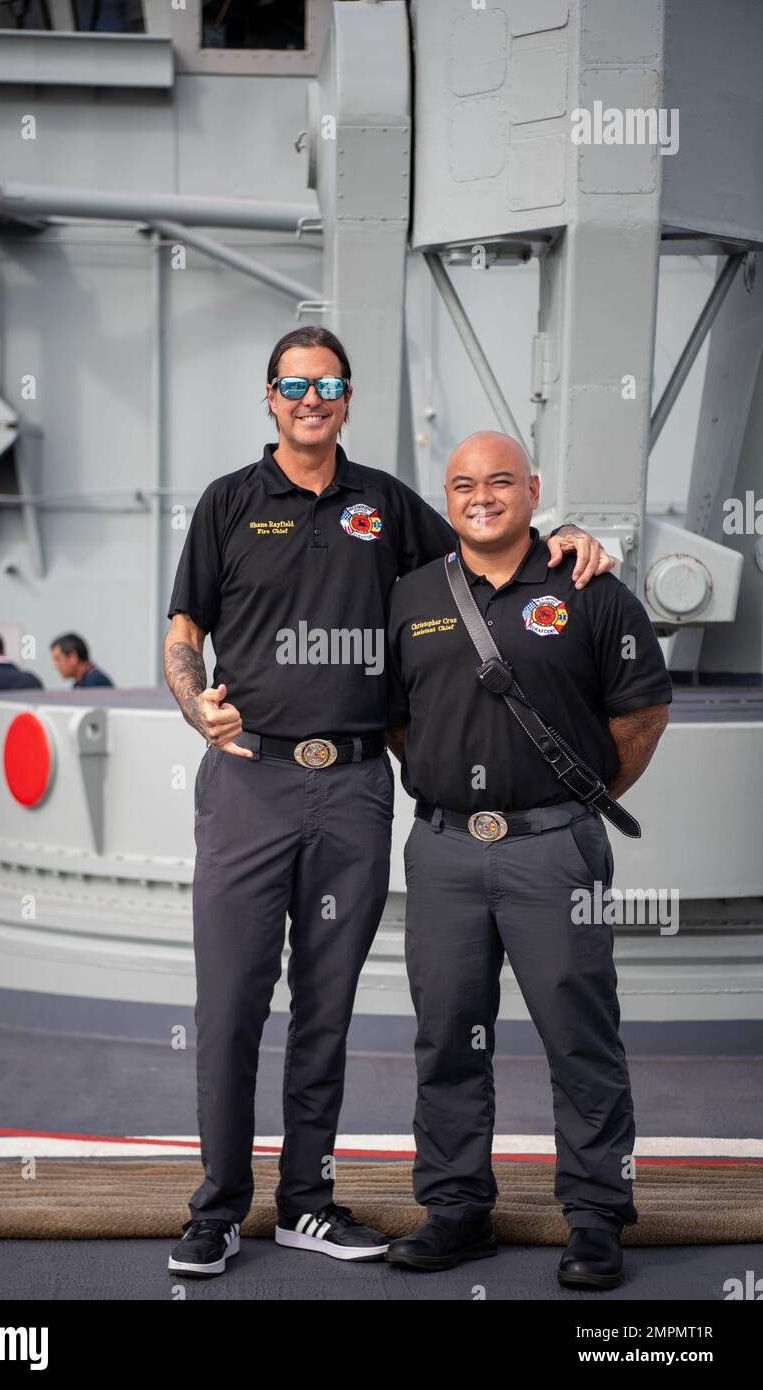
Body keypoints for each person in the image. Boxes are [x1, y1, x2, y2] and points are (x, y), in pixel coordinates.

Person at [162, 326, 612, 1277]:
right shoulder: (229, 503)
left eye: (326, 383)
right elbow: (183, 626)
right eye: (292, 383)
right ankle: (217, 1206)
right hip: (250, 779)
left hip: (358, 788)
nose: (309, 397)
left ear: (348, 397)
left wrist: (565, 530)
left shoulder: (387, 505)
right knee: (231, 1005)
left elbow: (488, 537)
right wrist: (191, 696)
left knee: (325, 1006)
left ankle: (307, 1203)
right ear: (271, 396)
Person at [383, 431, 672, 1288]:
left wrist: (562, 801)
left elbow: (642, 716)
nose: (482, 496)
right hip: (441, 851)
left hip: (554, 850)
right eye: (464, 484)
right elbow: (401, 723)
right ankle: (457, 1209)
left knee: (579, 1037)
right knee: (446, 1039)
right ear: (448, 495)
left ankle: (594, 1217)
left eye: (500, 481)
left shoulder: (591, 585)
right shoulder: (410, 596)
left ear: (532, 489)